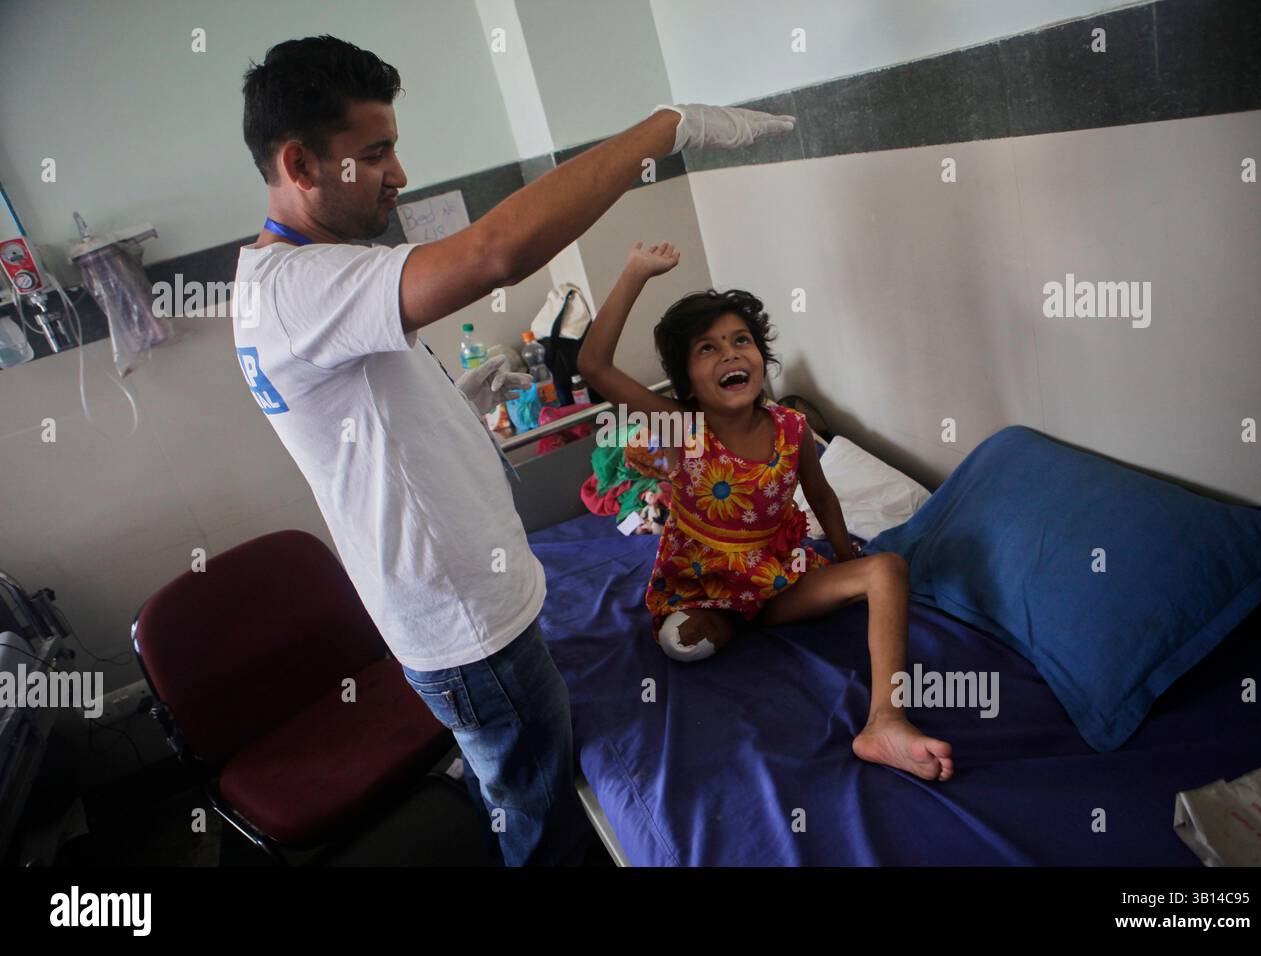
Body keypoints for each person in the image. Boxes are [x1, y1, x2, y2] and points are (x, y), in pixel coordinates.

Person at [232, 35, 797, 864]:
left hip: (458, 608)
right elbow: (498, 253)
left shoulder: (294, 281)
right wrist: (665, 128)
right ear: (300, 164)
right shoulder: (303, 288)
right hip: (467, 626)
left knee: (517, 775)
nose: (399, 173)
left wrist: (451, 406)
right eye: (376, 151)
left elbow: (362, 423)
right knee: (540, 822)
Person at [577, 241, 955, 783]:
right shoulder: (684, 432)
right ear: (686, 382)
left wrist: (848, 558)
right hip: (706, 589)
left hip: (777, 583)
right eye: (707, 348)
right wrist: (635, 271)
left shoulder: (791, 429)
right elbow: (593, 363)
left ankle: (885, 719)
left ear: (760, 357)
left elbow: (821, 495)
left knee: (888, 570)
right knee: (682, 647)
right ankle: (730, 624)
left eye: (741, 341)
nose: (730, 354)